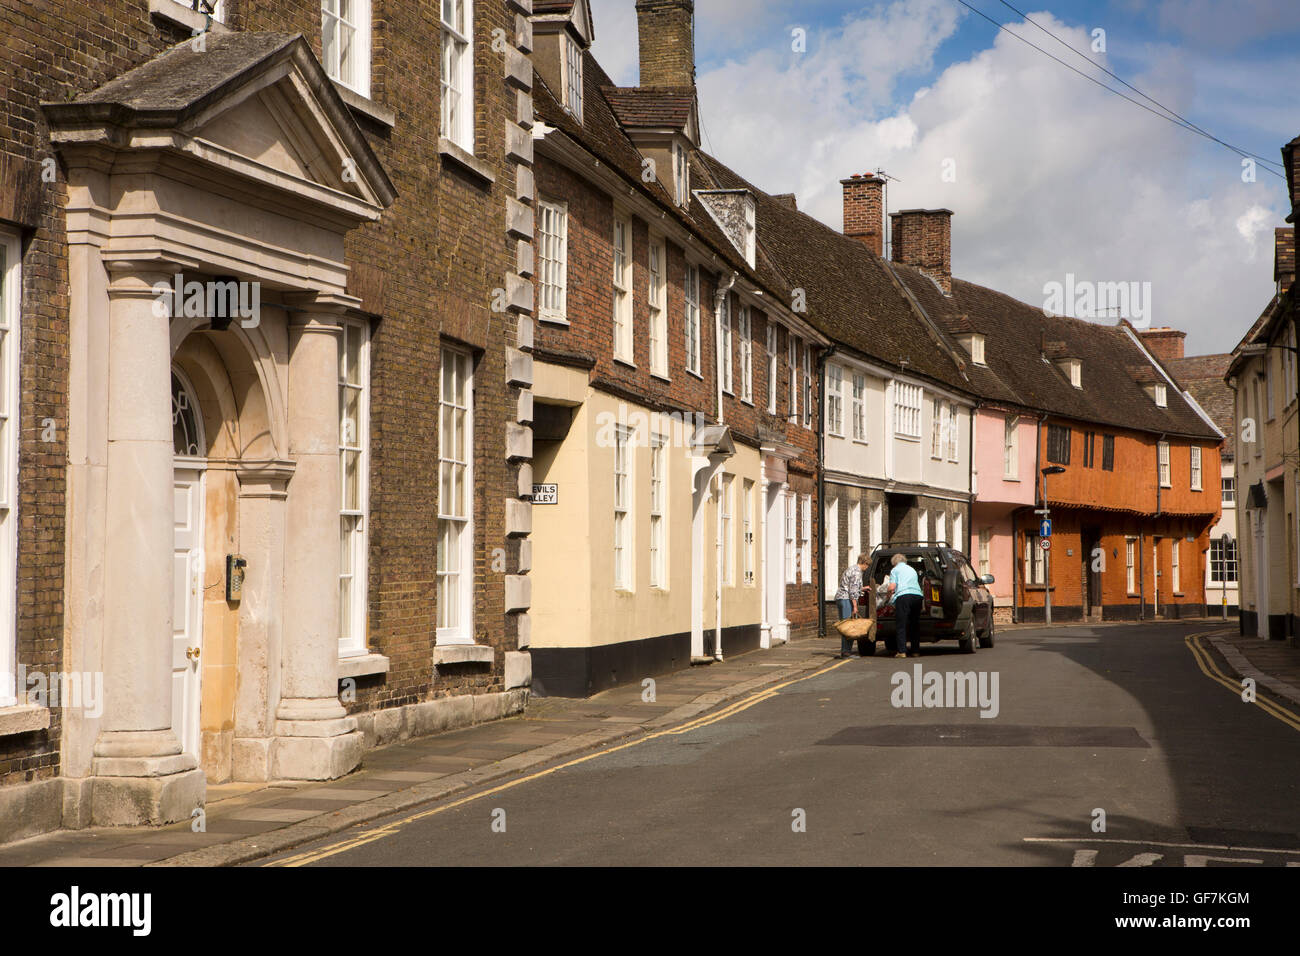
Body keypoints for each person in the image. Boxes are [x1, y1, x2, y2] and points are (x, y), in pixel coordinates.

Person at [886, 552, 923, 659]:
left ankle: (902, 651)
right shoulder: (912, 569)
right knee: (914, 624)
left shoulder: (895, 570)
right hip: (917, 596)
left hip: (904, 596)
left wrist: (888, 597)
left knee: (901, 624)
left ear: (894, 563)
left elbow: (892, 587)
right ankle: (915, 651)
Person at [834, 554, 870, 659]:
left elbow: (850, 586)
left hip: (841, 598)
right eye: (867, 565)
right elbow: (852, 591)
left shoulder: (851, 569)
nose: (867, 568)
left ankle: (845, 651)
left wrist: (862, 588)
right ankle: (846, 652)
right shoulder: (857, 572)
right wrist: (855, 606)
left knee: (845, 624)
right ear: (864, 563)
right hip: (846, 599)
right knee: (848, 626)